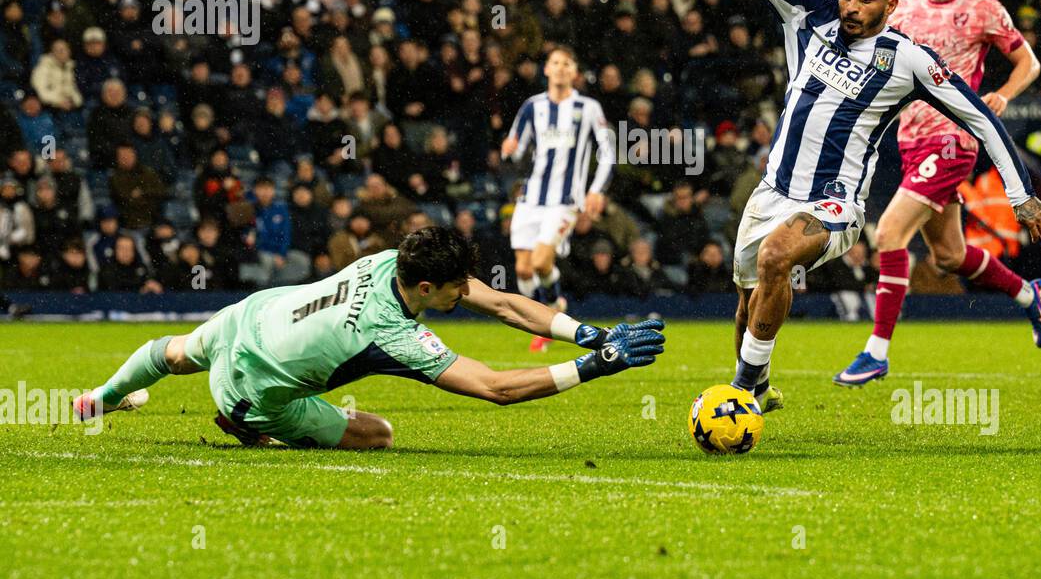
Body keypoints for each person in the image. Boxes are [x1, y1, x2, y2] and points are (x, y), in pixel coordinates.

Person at [732, 0, 1041, 409]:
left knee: (791, 254)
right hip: (774, 188)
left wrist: (1021, 195)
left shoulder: (910, 58)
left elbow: (981, 117)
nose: (851, 8)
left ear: (890, 7)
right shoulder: (810, 12)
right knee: (751, 299)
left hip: (836, 202)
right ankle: (759, 388)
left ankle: (749, 392)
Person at [73, 226, 665, 450]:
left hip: (249, 316)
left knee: (171, 354)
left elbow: (506, 305)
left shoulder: (392, 260)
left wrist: (593, 336)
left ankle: (100, 397)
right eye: (456, 287)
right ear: (428, 285)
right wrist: (595, 367)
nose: (467, 294)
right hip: (250, 391)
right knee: (377, 433)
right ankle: (247, 425)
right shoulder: (394, 336)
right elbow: (496, 388)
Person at [834, 0, 1041, 387]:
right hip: (911, 142)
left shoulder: (982, 9)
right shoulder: (903, 8)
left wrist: (1004, 96)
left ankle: (876, 351)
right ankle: (1028, 295)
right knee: (949, 255)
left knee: (890, 232)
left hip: (954, 141)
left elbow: (1028, 62)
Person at [501, 45, 614, 351]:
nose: (561, 68)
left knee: (540, 262)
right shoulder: (532, 106)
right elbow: (515, 149)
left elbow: (607, 152)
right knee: (523, 269)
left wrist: (595, 190)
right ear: (547, 70)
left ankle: (551, 314)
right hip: (531, 198)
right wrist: (507, 151)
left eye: (567, 63)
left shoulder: (588, 108)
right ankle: (551, 307)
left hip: (565, 201)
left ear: (574, 72)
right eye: (555, 63)